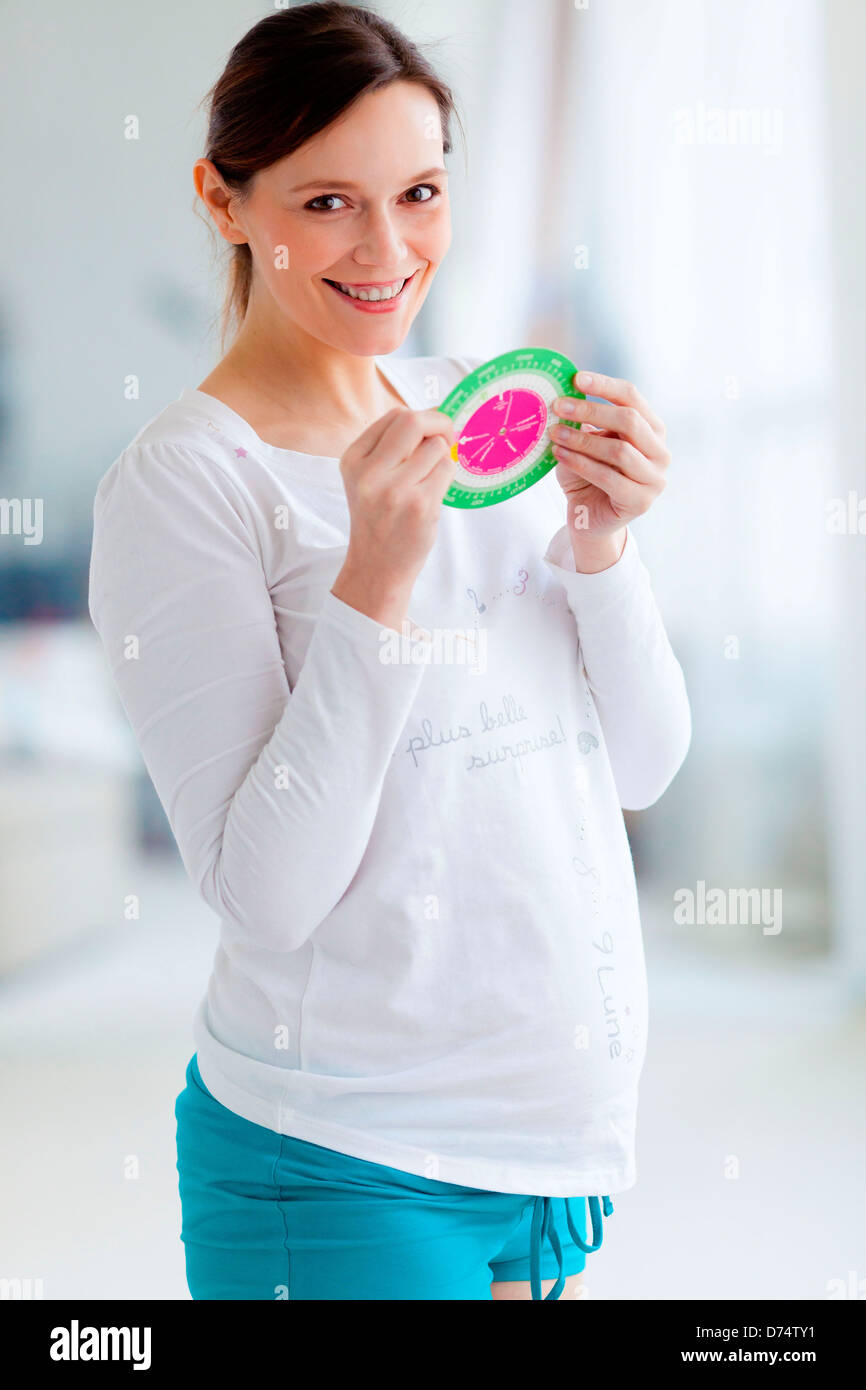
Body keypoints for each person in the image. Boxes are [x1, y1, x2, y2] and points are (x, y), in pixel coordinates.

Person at [88, 1, 690, 1301]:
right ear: (225, 198)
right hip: (339, 1155)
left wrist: (603, 544)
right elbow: (267, 892)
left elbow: (640, 765)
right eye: (324, 203)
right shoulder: (187, 484)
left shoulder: (484, 413)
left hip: (557, 1148)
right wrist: (372, 581)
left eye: (418, 192)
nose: (383, 249)